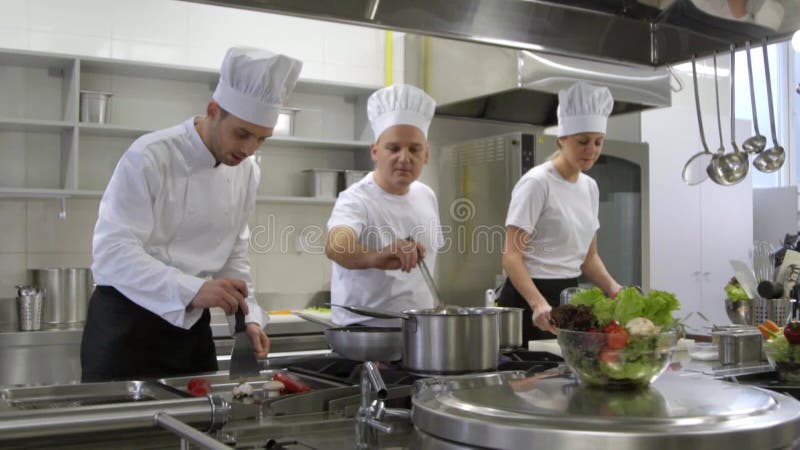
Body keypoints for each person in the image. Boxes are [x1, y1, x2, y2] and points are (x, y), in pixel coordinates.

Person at [81, 47, 303, 381]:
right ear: (213, 111)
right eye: (241, 133)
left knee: (203, 426)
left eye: (261, 139)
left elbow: (234, 254)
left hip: (191, 333)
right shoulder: (150, 156)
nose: (248, 149)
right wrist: (194, 289)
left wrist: (248, 317)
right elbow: (112, 253)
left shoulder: (246, 171)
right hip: (126, 330)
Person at [498, 81, 623, 343]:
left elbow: (589, 258)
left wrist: (614, 289)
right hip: (528, 298)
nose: (592, 150)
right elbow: (511, 257)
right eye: (583, 141)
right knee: (531, 378)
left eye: (599, 142)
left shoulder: (590, 188)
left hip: (568, 295)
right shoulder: (537, 183)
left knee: (566, 375)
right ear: (562, 139)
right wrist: (538, 304)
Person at [325, 84, 443, 327]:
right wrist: (377, 256)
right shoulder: (356, 198)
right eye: (393, 148)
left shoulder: (426, 195)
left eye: (414, 149)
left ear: (426, 155)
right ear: (375, 151)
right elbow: (337, 246)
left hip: (417, 332)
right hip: (364, 334)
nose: (404, 158)